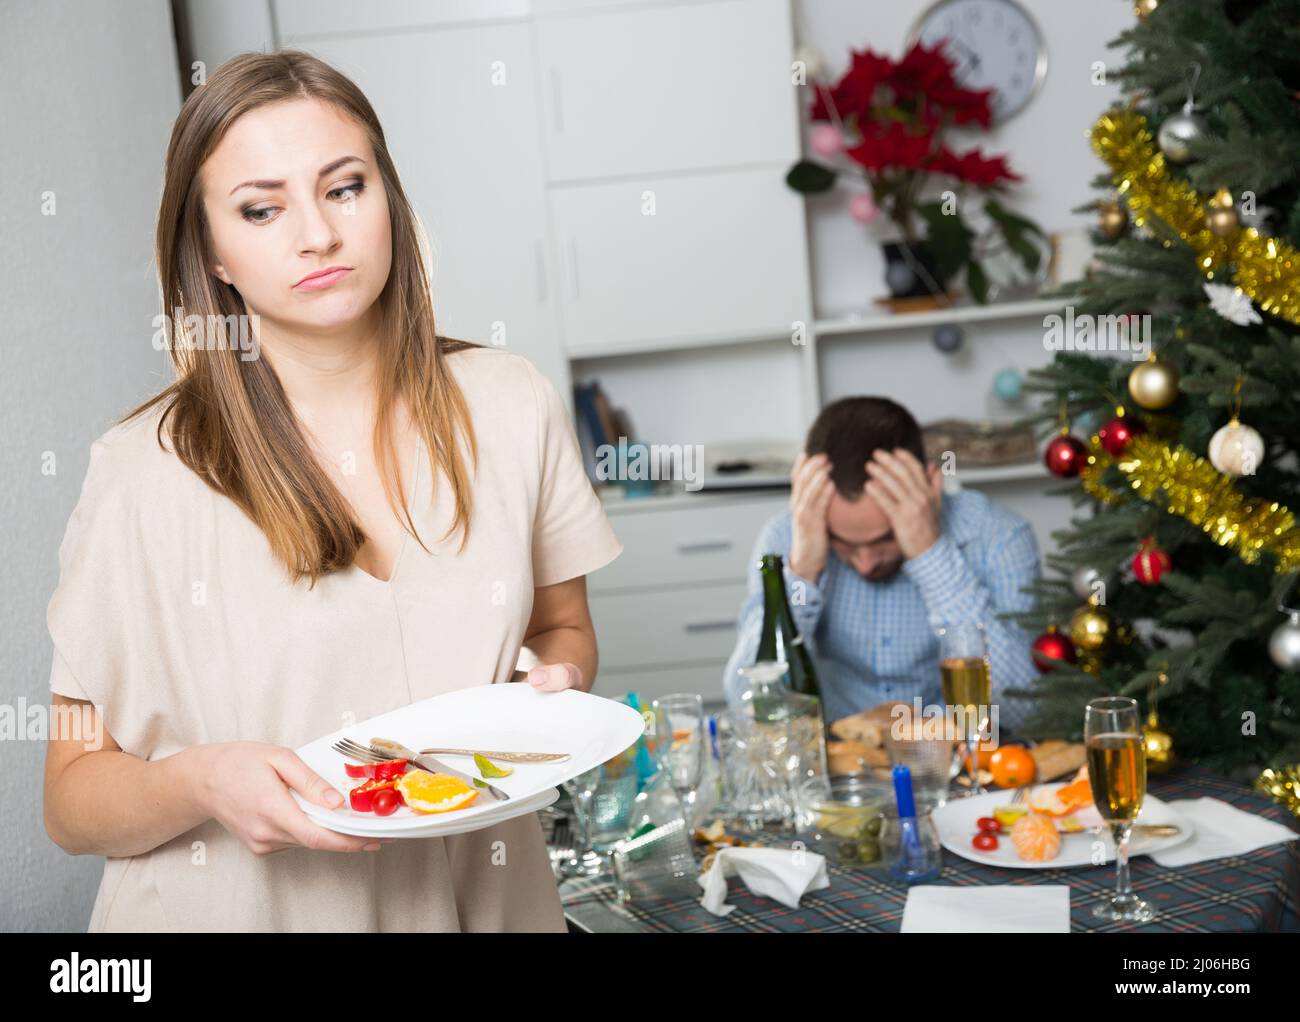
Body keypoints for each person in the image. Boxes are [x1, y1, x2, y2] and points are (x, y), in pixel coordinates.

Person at [41, 50, 622, 932]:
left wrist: (561, 679)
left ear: (387, 197)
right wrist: (198, 781)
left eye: (344, 188)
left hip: (492, 906)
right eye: (261, 209)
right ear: (214, 254)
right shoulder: (142, 473)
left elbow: (560, 628)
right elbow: (71, 802)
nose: (316, 234)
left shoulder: (511, 404)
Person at [721, 397, 1040, 731]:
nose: (865, 563)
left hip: (958, 755)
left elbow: (1021, 709)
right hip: (837, 763)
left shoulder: (999, 535)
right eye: (842, 542)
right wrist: (803, 573)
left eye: (885, 539)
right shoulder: (786, 537)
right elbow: (748, 706)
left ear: (930, 486)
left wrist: (929, 551)